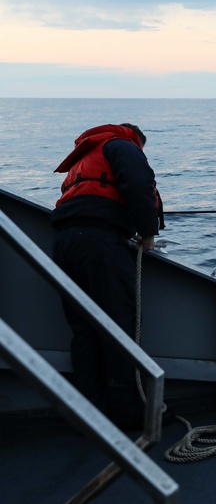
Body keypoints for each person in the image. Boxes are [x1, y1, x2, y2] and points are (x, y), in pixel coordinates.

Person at [51, 123, 163, 428]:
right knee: (118, 328)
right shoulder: (123, 145)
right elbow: (138, 184)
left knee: (84, 331)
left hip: (65, 243)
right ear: (137, 139)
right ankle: (129, 415)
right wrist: (148, 232)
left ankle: (89, 417)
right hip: (99, 244)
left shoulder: (84, 156)